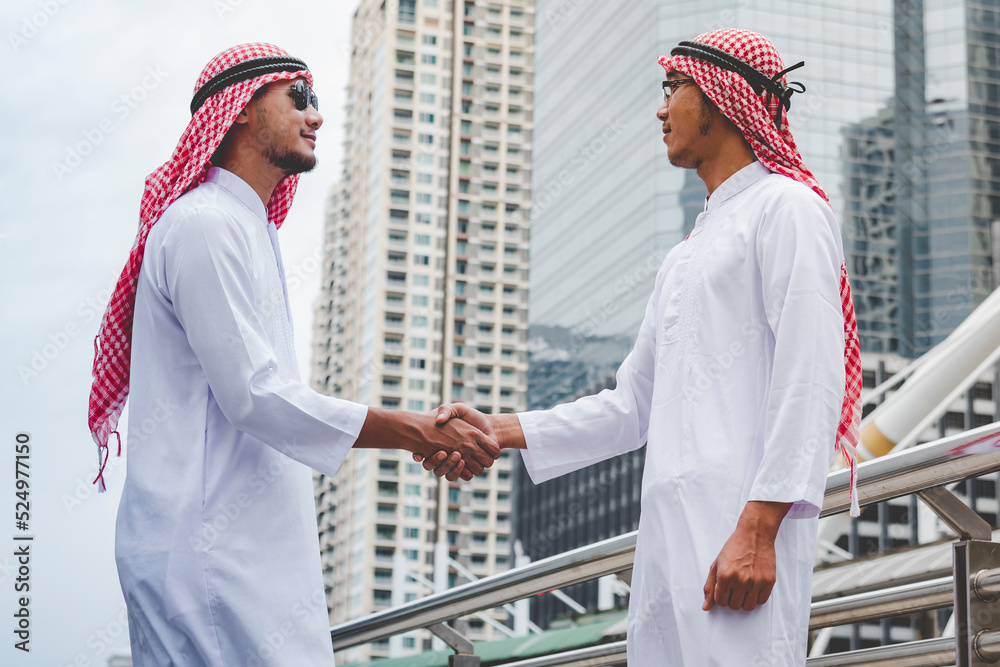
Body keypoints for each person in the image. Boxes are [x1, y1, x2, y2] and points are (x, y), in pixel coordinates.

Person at [421, 29, 862, 665]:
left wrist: (760, 526)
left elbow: (812, 376)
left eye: (670, 89)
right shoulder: (685, 255)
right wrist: (494, 428)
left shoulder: (787, 208)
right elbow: (631, 406)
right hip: (663, 542)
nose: (661, 109)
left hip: (740, 535)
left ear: (716, 98)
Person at [87, 44, 498, 666]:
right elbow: (256, 394)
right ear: (241, 111)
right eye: (299, 98)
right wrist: (415, 431)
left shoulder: (246, 228)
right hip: (206, 558)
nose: (317, 116)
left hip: (246, 558)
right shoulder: (204, 225)